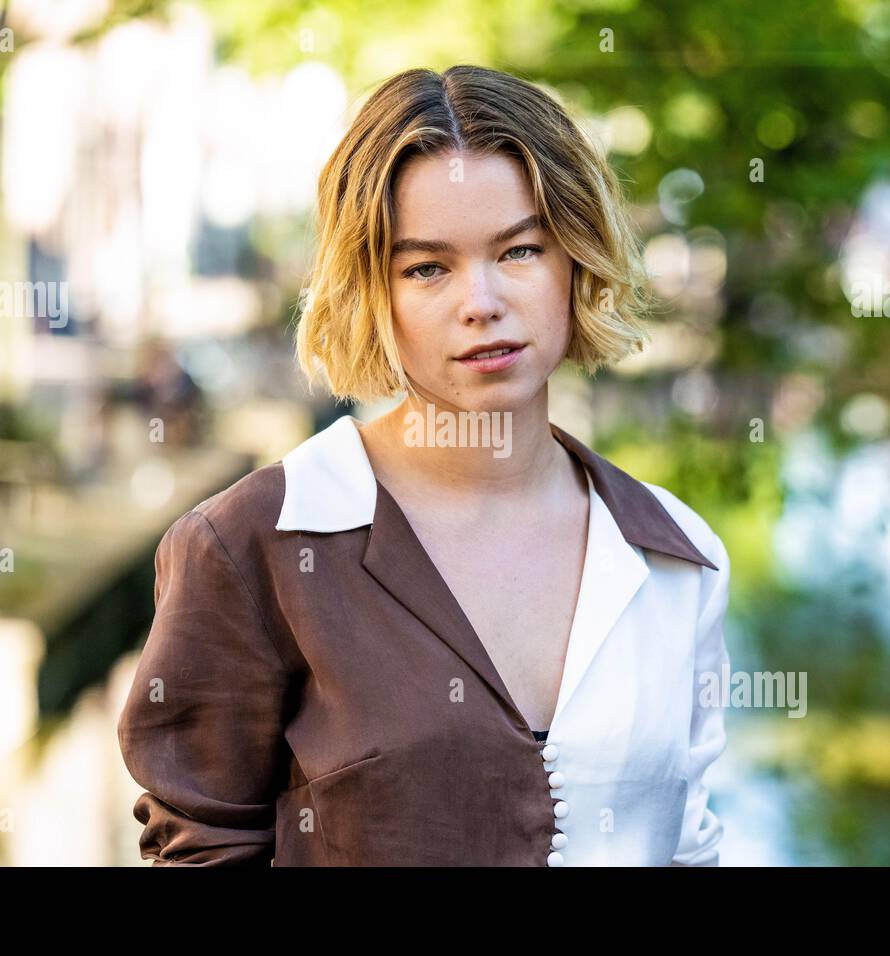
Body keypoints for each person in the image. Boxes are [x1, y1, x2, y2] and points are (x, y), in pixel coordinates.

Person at [117, 64, 731, 867]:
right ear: (374, 293)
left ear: (576, 260)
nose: (481, 300)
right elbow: (200, 850)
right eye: (427, 268)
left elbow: (689, 848)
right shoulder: (250, 548)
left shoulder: (676, 555)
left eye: (519, 249)